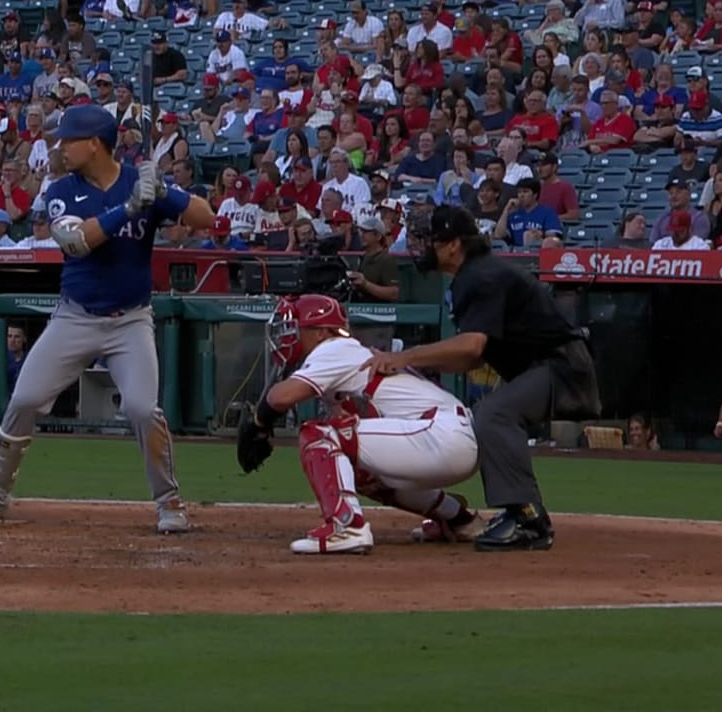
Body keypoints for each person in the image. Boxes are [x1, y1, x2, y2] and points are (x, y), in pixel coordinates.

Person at [0, 104, 216, 534]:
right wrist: (130, 208)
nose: (60, 148)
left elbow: (207, 219)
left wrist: (166, 193)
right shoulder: (62, 189)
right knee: (24, 400)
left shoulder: (140, 182)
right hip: (75, 317)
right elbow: (76, 241)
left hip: (131, 320)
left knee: (141, 409)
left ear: (94, 144)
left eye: (68, 140)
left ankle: (169, 503)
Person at [362, 205, 600, 551]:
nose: (419, 246)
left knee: (494, 415)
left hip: (564, 367)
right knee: (492, 414)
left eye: (428, 239)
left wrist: (405, 357)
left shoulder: (481, 276)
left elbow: (471, 348)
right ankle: (519, 512)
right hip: (545, 366)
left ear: (454, 245)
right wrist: (417, 367)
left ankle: (528, 518)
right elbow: (464, 359)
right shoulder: (472, 275)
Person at [236, 295, 481, 555]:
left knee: (319, 434)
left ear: (321, 332)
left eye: (296, 328)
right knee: (353, 464)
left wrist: (259, 422)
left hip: (439, 434)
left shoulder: (334, 349)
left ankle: (347, 528)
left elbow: (281, 397)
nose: (289, 336)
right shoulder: (347, 352)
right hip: (449, 438)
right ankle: (459, 520)